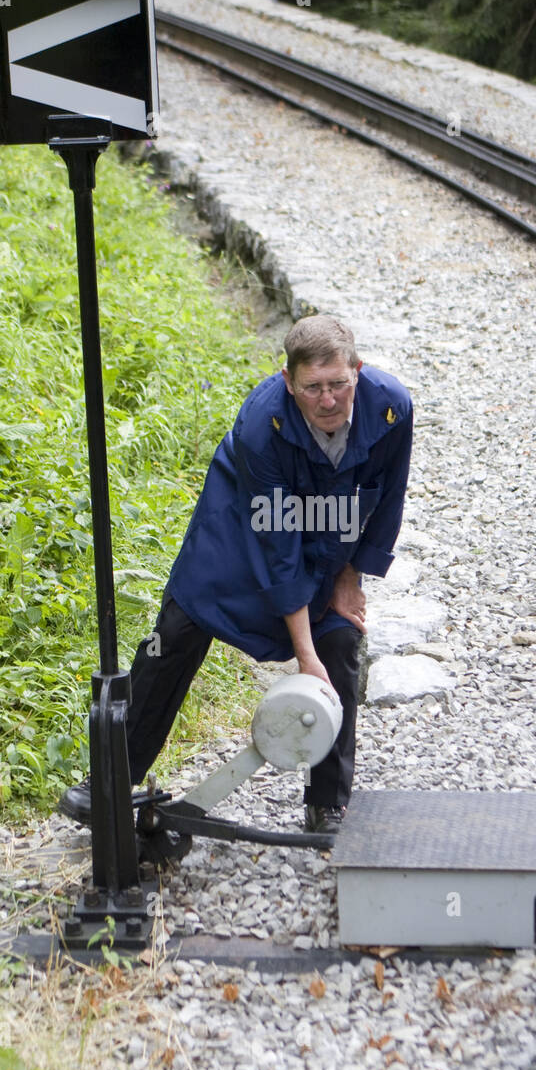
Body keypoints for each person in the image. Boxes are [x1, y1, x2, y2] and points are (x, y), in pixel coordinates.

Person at [60, 313, 413, 833]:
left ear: (357, 370)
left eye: (339, 383)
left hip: (328, 541)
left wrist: (348, 579)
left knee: (340, 642)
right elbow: (278, 545)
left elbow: (388, 499)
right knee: (175, 633)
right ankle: (112, 781)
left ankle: (328, 803)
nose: (329, 399)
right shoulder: (261, 424)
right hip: (241, 527)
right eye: (313, 387)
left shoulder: (390, 409)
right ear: (288, 382)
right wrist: (302, 655)